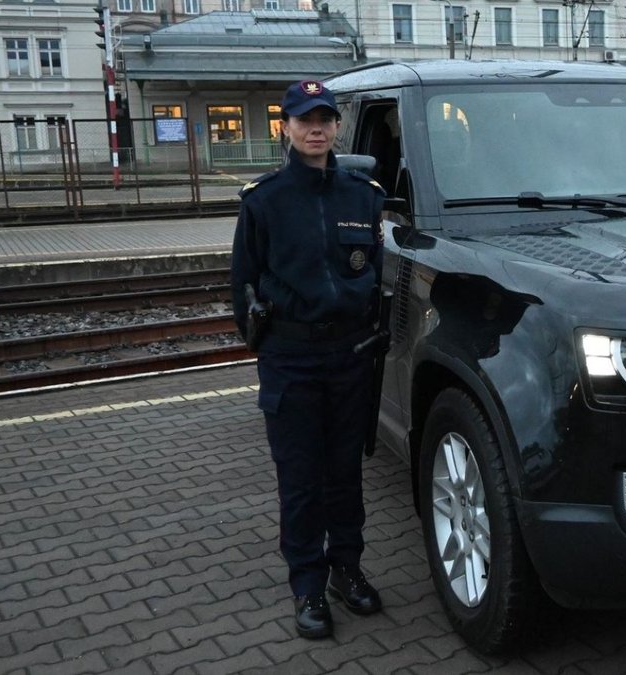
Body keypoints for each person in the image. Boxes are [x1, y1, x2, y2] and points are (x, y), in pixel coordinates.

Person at [231, 79, 386, 640]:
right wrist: (268, 348)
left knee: (344, 474)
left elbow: (373, 271)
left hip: (349, 356)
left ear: (336, 126)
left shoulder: (363, 196)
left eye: (324, 118)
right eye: (304, 119)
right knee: (301, 480)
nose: (316, 127)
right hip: (291, 360)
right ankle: (308, 585)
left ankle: (347, 568)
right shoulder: (264, 200)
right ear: (287, 127)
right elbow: (242, 283)